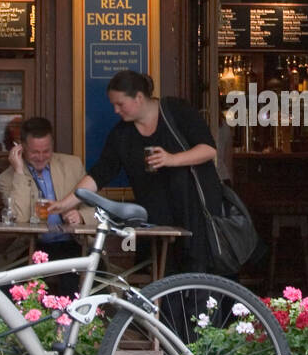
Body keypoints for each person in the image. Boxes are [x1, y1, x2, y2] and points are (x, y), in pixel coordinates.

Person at [51, 71, 222, 274]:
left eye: (120, 104)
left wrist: (172, 159)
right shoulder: (122, 134)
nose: (115, 110)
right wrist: (64, 204)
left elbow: (209, 149)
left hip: (194, 214)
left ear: (139, 97)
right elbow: (100, 173)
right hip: (154, 223)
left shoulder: (176, 110)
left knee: (198, 278)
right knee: (159, 278)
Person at [0, 117, 92, 294]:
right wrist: (18, 171)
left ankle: (71, 322)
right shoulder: (6, 178)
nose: (41, 157)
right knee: (8, 288)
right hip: (32, 245)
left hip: (72, 243)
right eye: (34, 152)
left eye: (46, 151)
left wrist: (81, 217)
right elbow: (20, 219)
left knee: (75, 282)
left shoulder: (72, 165)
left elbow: (96, 208)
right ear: (21, 147)